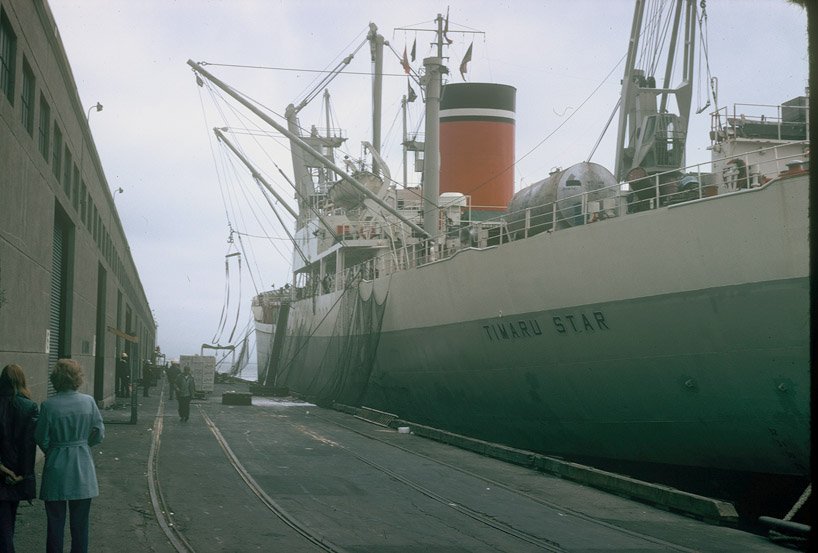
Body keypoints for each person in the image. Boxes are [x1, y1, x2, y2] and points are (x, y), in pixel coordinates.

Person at [35, 359, 104, 553]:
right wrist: (84, 444)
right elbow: (99, 432)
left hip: (56, 465)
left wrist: (54, 449)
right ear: (77, 378)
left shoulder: (48, 405)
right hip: (82, 464)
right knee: (80, 525)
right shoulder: (88, 402)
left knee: (55, 523)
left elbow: (41, 437)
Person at [0, 364, 39, 553]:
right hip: (16, 472)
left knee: (4, 524)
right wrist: (22, 474)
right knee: (9, 520)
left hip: (1, 471)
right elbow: (28, 445)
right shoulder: (29, 406)